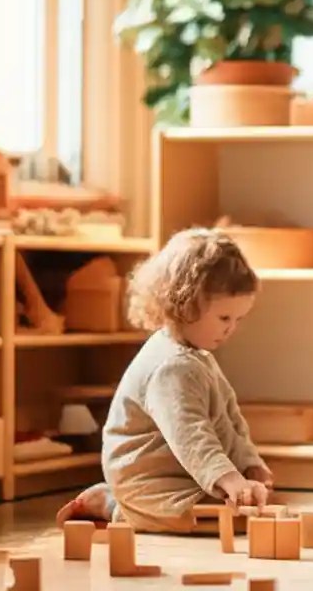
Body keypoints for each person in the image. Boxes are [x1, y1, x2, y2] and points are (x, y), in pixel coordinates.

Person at [56, 228, 271, 532]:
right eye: (224, 318)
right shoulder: (172, 367)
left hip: (183, 474)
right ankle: (116, 505)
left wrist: (250, 464)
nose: (231, 329)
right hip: (147, 482)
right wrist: (229, 478)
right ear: (186, 304)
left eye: (239, 319)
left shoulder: (199, 357)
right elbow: (190, 434)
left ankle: (127, 503)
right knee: (229, 521)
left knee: (251, 511)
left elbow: (229, 420)